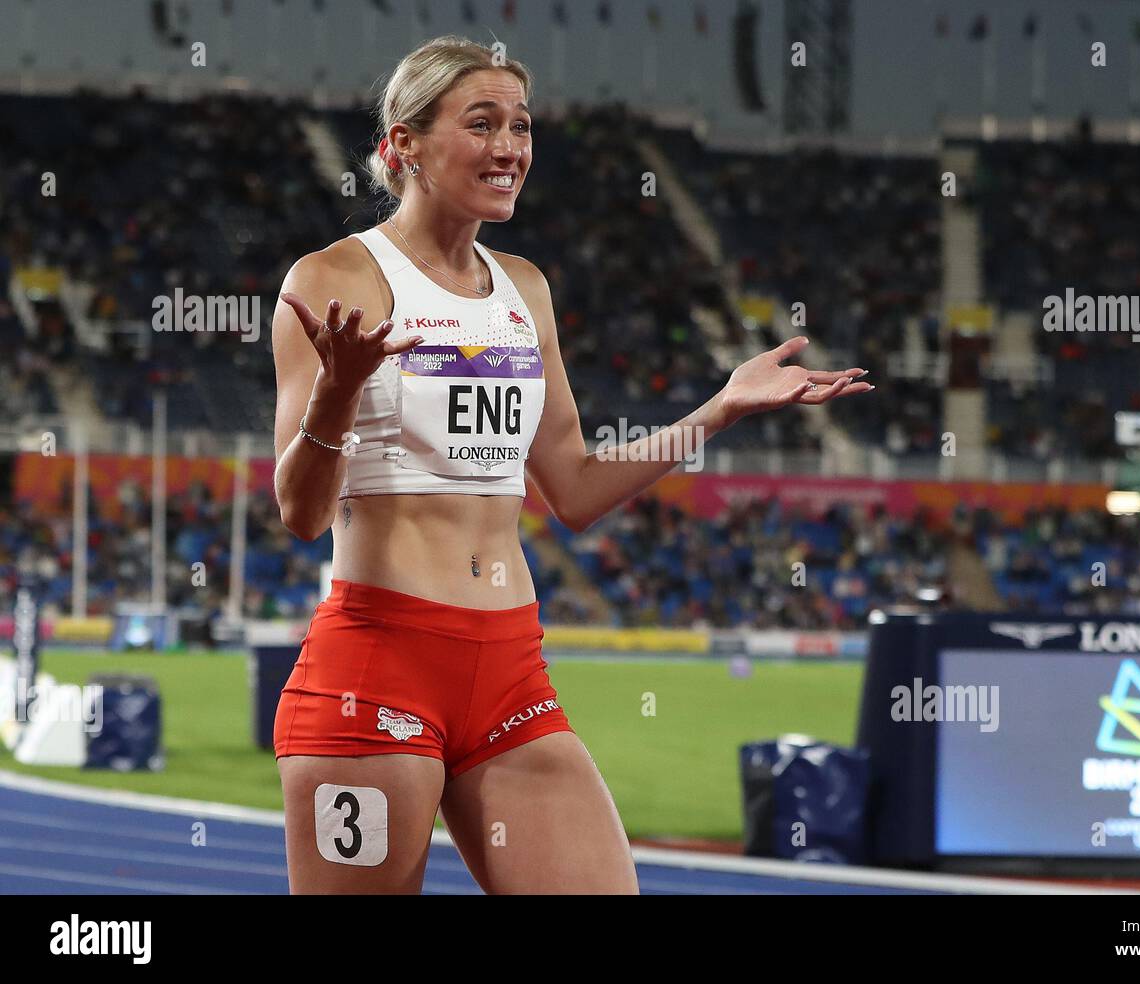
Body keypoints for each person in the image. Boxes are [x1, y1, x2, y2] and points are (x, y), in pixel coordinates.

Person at [271, 35, 873, 895]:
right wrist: (338, 394)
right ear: (403, 143)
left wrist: (719, 409)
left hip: (510, 670)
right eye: (482, 124)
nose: (511, 148)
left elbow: (576, 488)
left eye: (520, 126)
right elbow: (298, 512)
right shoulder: (337, 278)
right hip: (378, 666)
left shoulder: (524, 288)